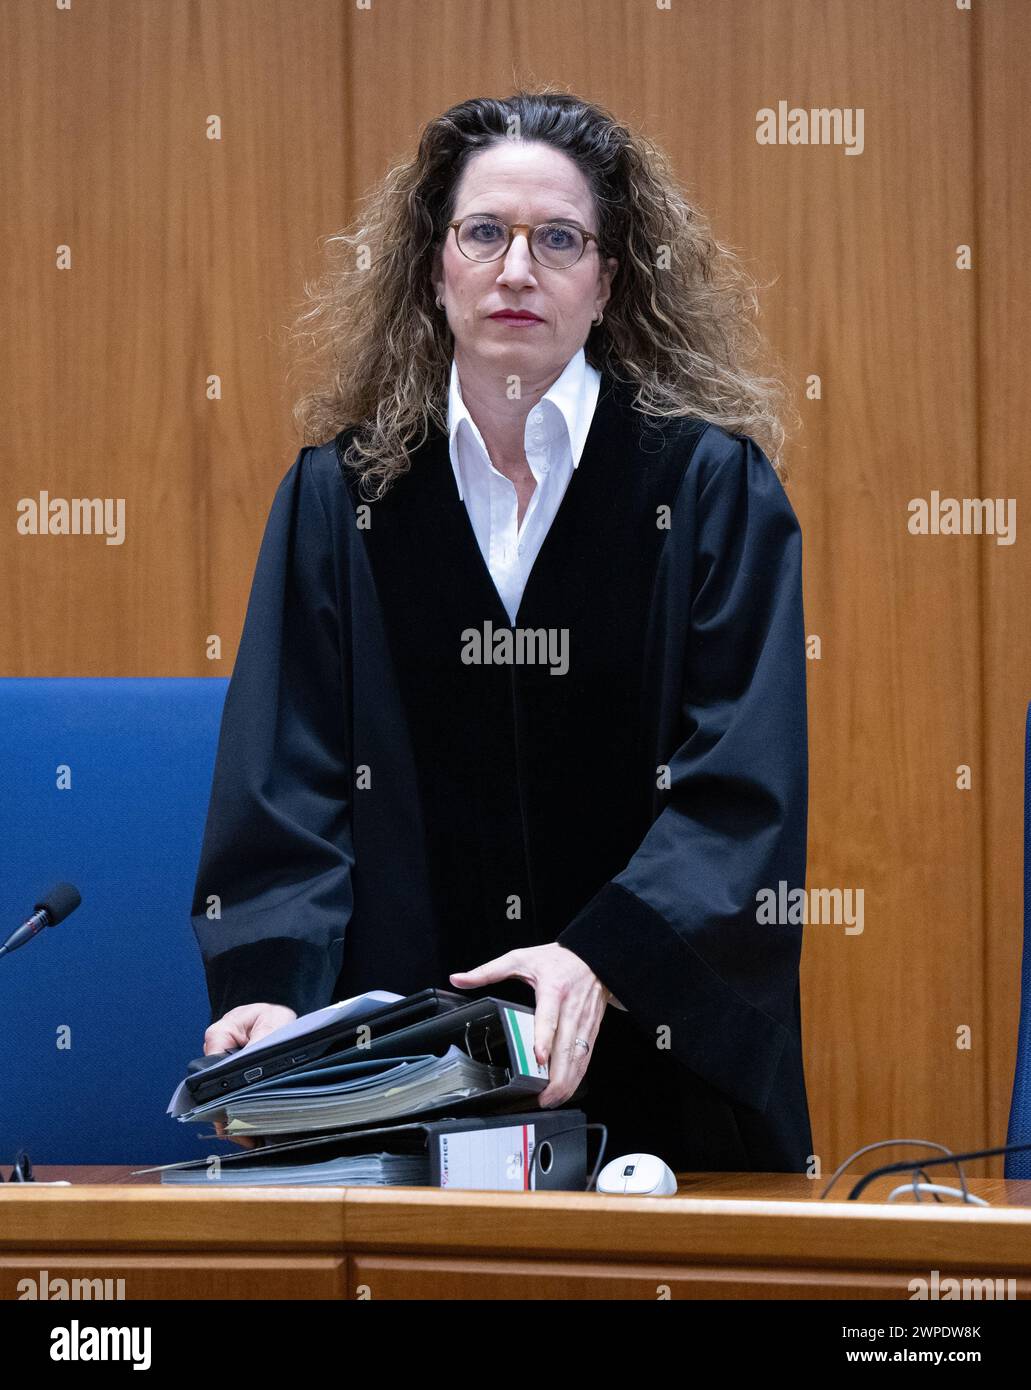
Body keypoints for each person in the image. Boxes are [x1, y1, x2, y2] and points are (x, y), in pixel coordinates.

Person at [191, 88, 813, 1172]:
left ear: (607, 279)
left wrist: (601, 955)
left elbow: (741, 791)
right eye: (484, 234)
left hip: (655, 1077)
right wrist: (269, 995)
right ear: (435, 268)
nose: (516, 269)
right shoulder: (341, 500)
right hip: (393, 1087)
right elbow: (282, 785)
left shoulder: (707, 487)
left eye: (557, 239)